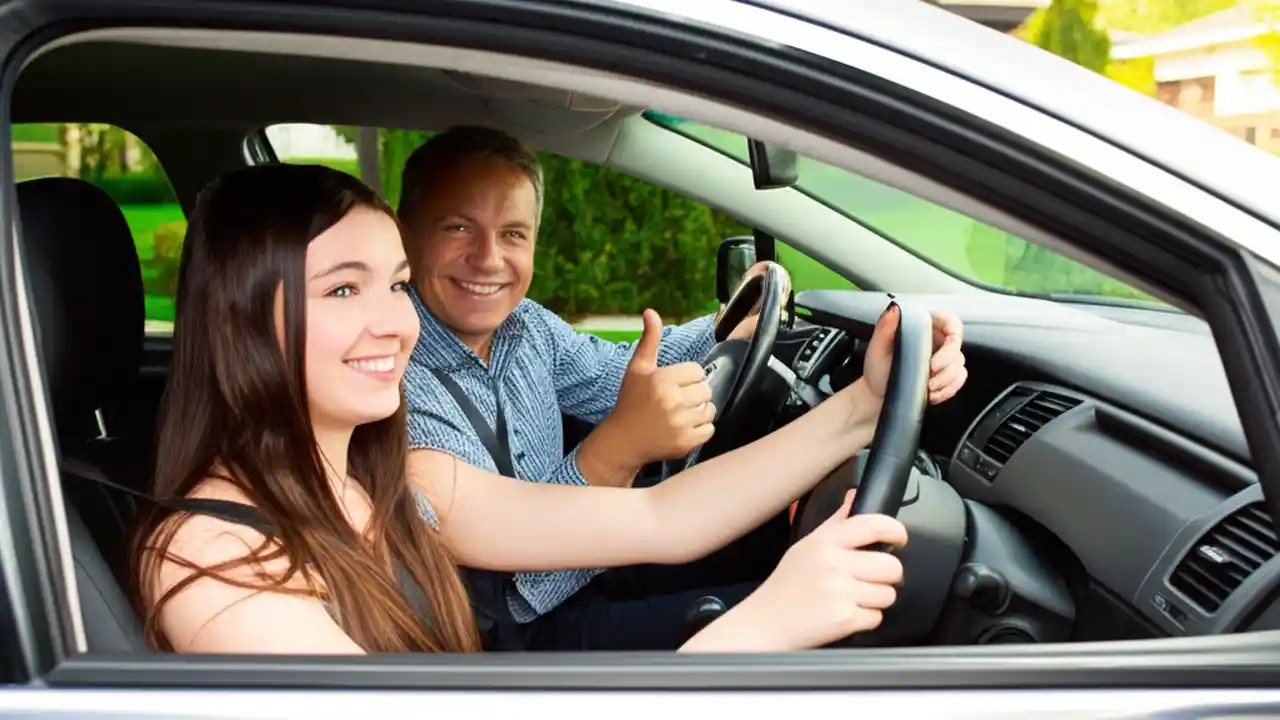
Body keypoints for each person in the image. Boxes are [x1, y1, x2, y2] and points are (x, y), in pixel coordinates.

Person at [129, 162, 912, 655]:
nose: (397, 323)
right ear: (240, 321)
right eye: (342, 289)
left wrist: (862, 406)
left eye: (394, 285)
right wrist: (758, 630)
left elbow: (663, 517)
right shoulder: (213, 559)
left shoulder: (389, 477)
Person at [394, 126, 968, 649]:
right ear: (405, 234)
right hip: (520, 641)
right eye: (459, 227)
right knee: (856, 618)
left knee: (779, 558)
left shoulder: (526, 328)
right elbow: (533, 578)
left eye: (513, 233)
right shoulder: (399, 390)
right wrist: (623, 447)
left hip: (590, 572)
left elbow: (622, 372)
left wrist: (733, 326)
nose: (488, 258)